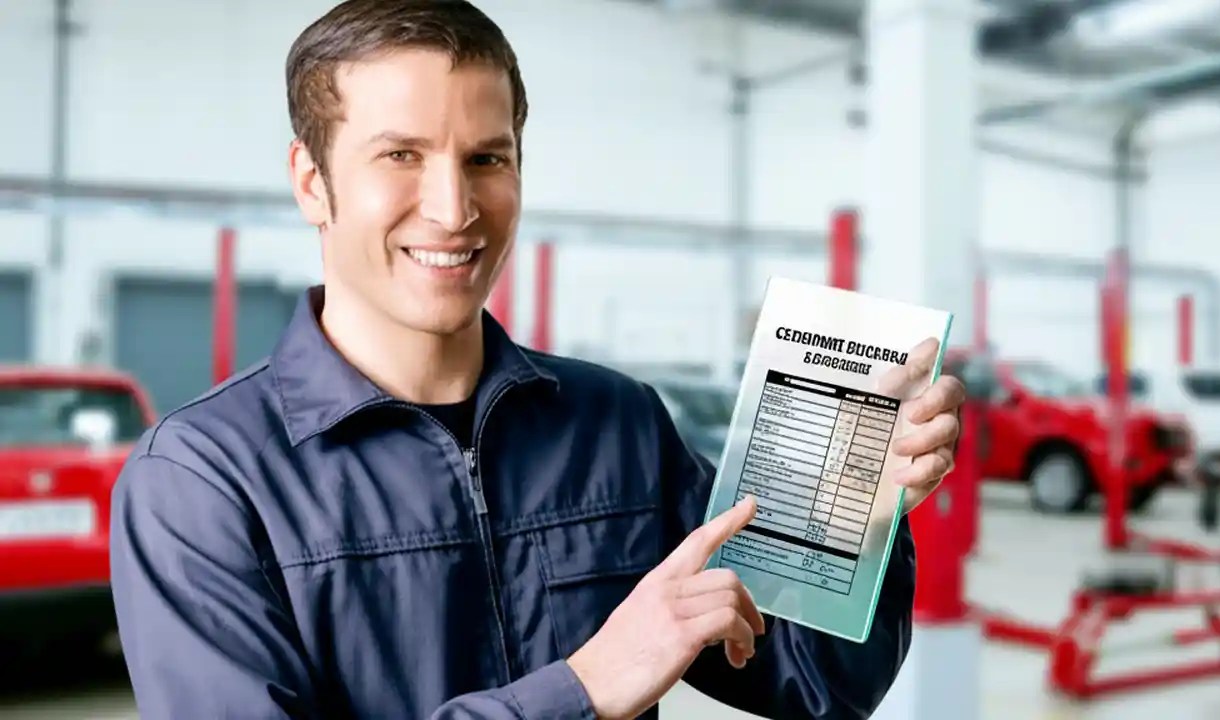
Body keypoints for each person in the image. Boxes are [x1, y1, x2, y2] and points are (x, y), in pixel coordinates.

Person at [108, 1, 967, 718]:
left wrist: (856, 521)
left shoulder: (617, 424)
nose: (452, 208)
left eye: (487, 159)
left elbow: (820, 685)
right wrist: (585, 686)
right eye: (400, 155)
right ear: (311, 180)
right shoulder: (202, 482)